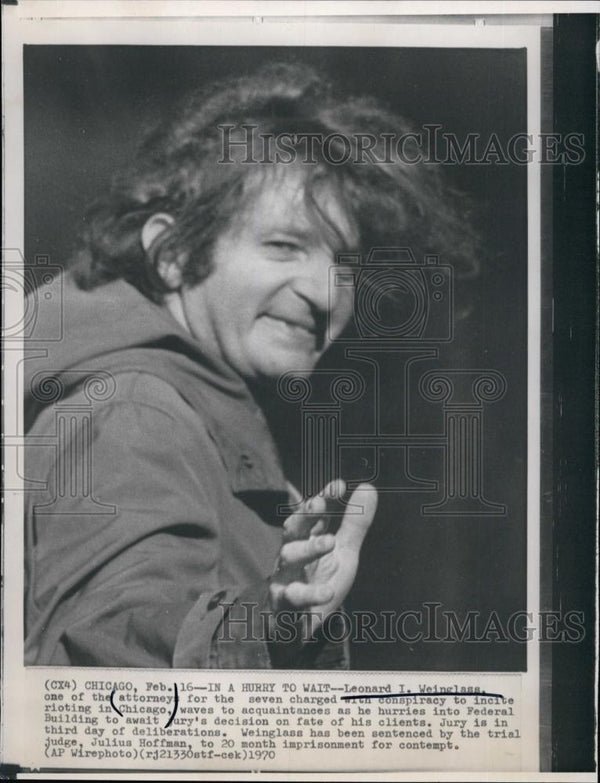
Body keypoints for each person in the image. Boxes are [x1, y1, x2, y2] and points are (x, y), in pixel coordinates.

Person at [24, 61, 475, 668]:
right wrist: (269, 623)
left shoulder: (184, 401)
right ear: (174, 253)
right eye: (284, 246)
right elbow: (105, 658)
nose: (324, 293)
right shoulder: (135, 411)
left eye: (346, 265)